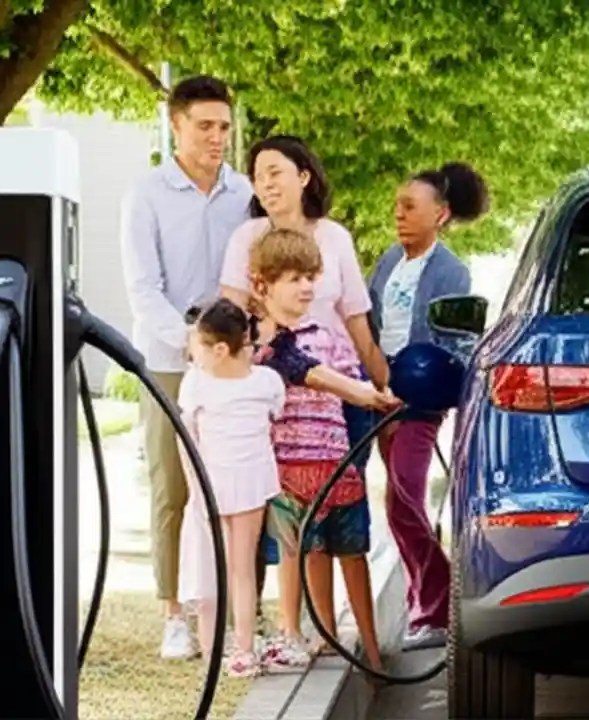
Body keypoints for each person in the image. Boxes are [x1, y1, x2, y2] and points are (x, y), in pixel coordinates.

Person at [219, 135, 389, 641]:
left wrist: (383, 387)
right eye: (258, 175)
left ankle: (348, 635)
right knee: (298, 520)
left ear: (304, 177)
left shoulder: (333, 236)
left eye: (275, 171)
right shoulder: (246, 237)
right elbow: (230, 316)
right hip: (282, 397)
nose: (266, 183)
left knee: (342, 515)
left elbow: (356, 321)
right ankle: (317, 632)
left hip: (344, 392)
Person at [120, 74, 253, 660]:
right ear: (175, 125)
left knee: (235, 487)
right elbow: (142, 288)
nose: (217, 137)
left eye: (224, 126)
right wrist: (191, 342)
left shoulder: (245, 193)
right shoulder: (145, 195)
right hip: (170, 361)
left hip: (236, 365)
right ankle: (173, 612)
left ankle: (233, 610)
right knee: (172, 488)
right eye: (205, 126)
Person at [249, 227, 389, 672]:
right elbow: (303, 372)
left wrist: (373, 395)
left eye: (311, 276)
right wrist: (368, 394)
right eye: (294, 278)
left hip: (335, 463)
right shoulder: (260, 345)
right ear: (262, 285)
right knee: (294, 550)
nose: (307, 286)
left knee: (351, 551)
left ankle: (371, 648)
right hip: (286, 468)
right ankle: (294, 633)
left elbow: (346, 383)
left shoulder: (326, 336)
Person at [367, 162, 488, 649]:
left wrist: (420, 385)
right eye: (397, 205)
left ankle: (438, 608)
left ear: (440, 214)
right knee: (395, 506)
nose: (398, 214)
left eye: (409, 206)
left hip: (419, 394)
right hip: (379, 389)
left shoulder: (451, 269)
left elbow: (455, 339)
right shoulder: (387, 260)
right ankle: (428, 601)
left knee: (407, 498)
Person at [176, 299, 285, 677]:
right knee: (220, 568)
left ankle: (240, 647)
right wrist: (194, 484)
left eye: (198, 348)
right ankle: (216, 650)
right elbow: (186, 436)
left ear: (220, 349)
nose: (193, 355)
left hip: (245, 481)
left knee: (237, 566)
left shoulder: (264, 382)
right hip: (217, 482)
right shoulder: (200, 384)